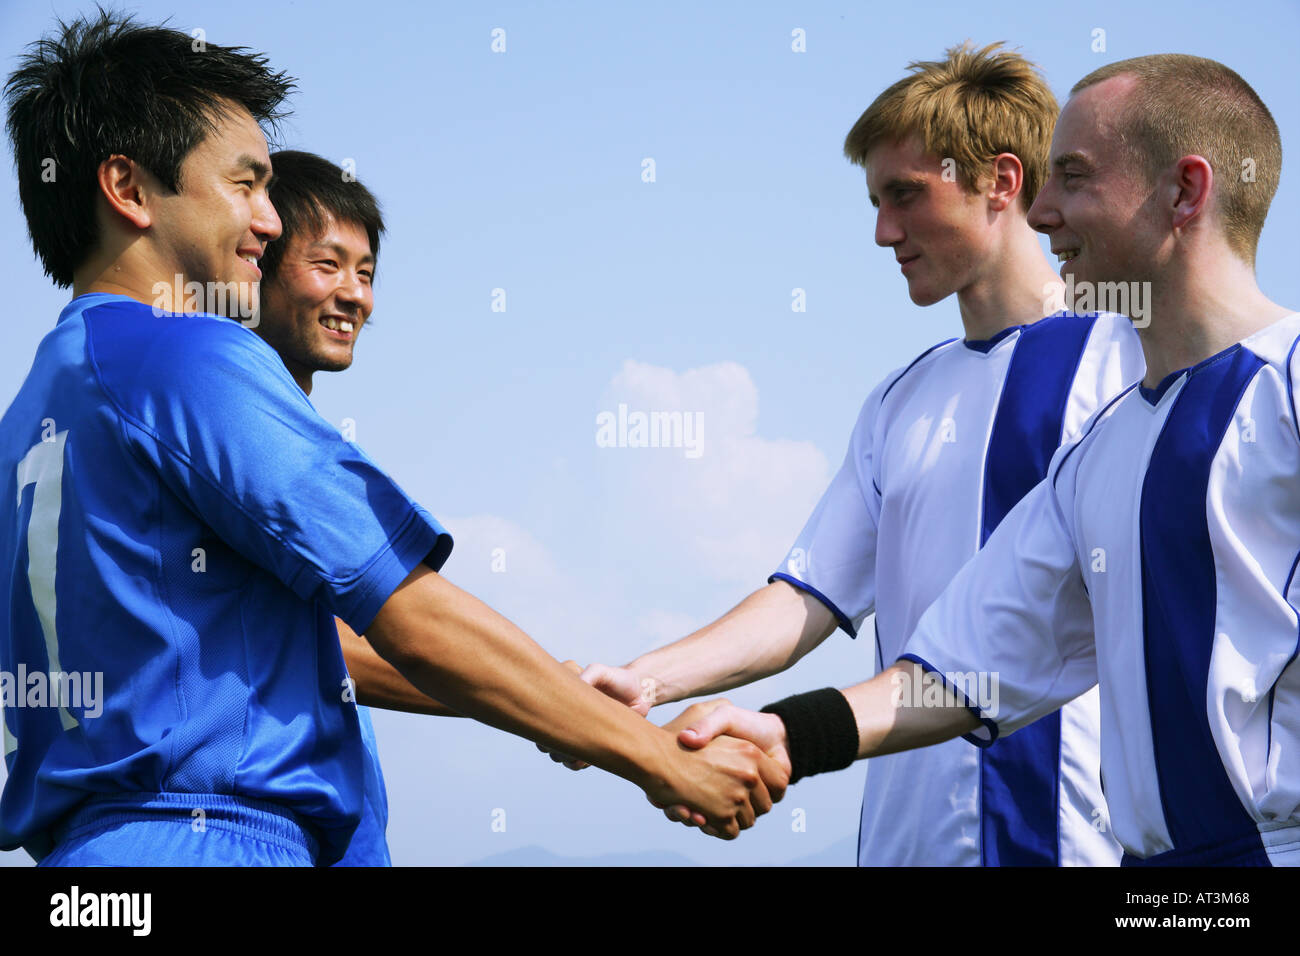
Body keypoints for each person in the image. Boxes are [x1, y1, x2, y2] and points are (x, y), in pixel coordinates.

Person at [0, 12, 784, 867]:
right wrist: (654, 758)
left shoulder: (36, 410)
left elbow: (289, 644)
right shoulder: (186, 352)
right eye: (244, 185)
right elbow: (405, 611)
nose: (267, 220)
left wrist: (563, 696)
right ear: (130, 188)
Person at [672, 53, 1298, 867]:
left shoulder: (1283, 387)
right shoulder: (1098, 457)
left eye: (1071, 177)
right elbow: (960, 673)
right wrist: (789, 731)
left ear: (1184, 191)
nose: (1041, 211)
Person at [563, 43, 1142, 864]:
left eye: (906, 195)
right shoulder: (897, 400)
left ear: (1002, 182)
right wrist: (650, 678)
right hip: (899, 846)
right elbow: (805, 599)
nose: (882, 232)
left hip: (1076, 846)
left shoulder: (1124, 364)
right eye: (875, 201)